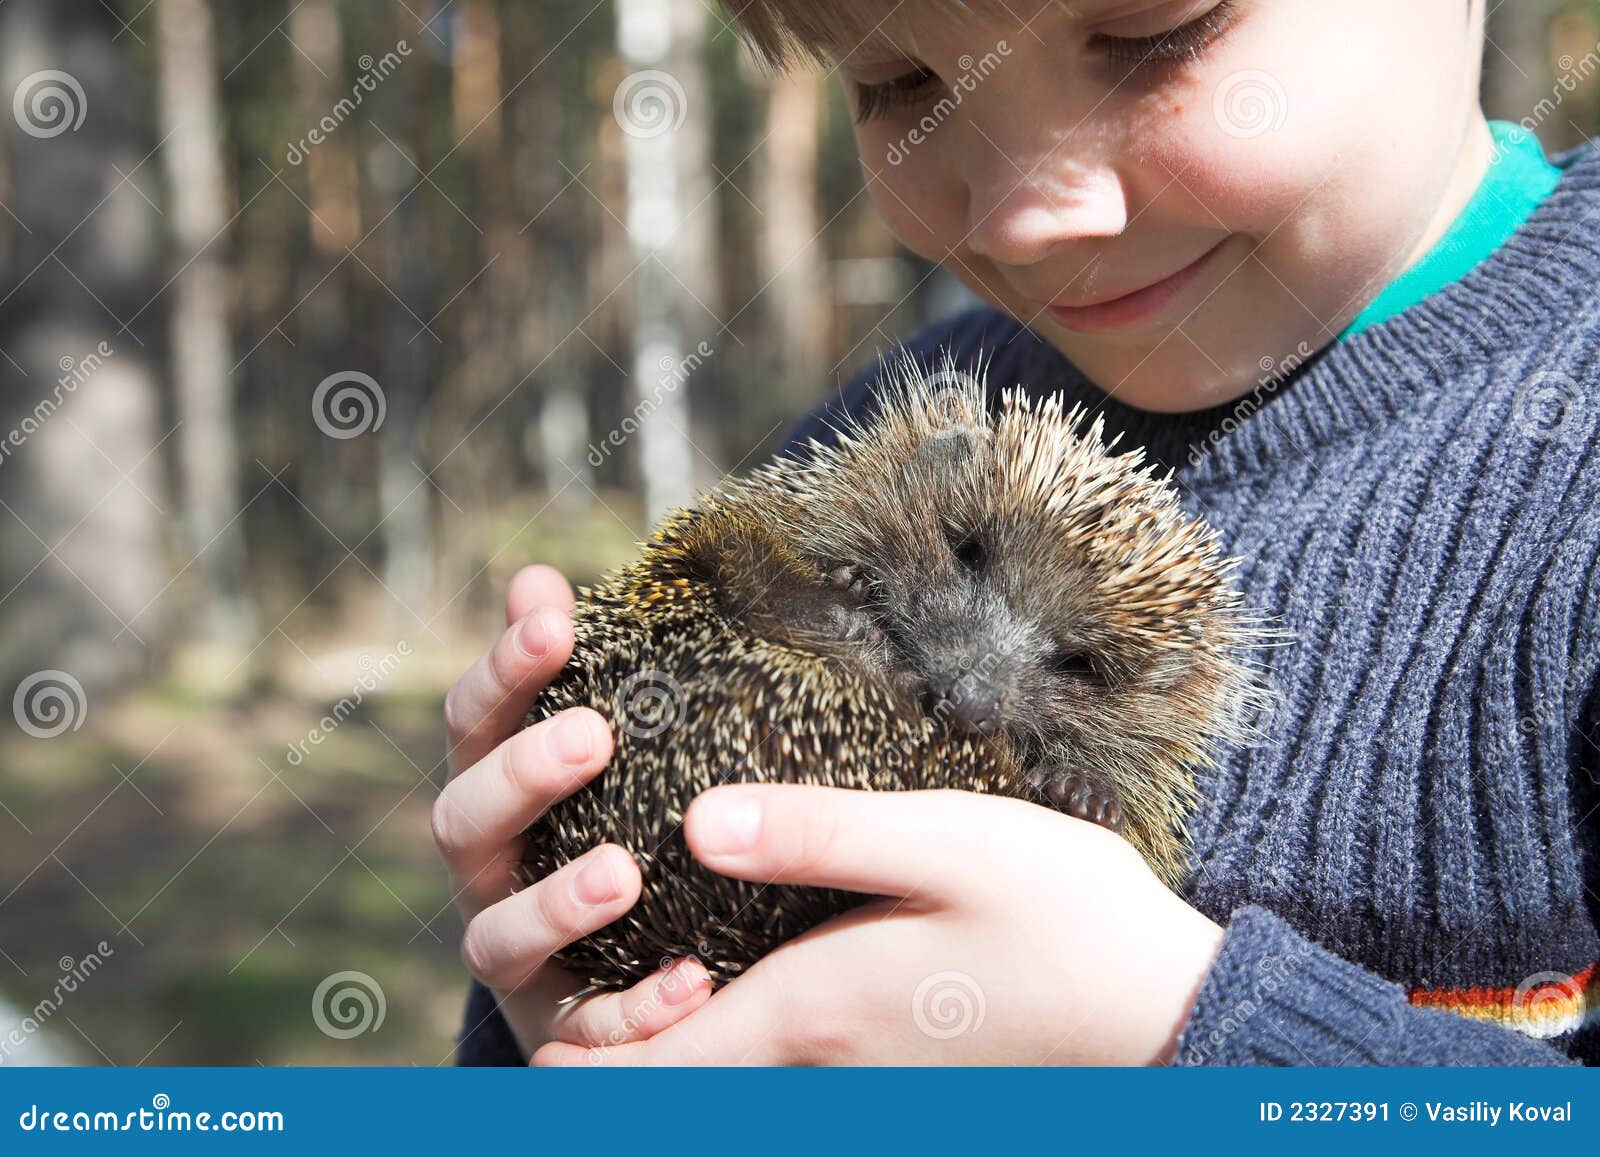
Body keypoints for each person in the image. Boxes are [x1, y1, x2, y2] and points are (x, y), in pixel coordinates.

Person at [436, 0, 1599, 1065]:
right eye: (900, 84)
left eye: (1157, 37)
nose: (1026, 215)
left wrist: (1178, 1030)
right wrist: (582, 994)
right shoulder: (882, 420)